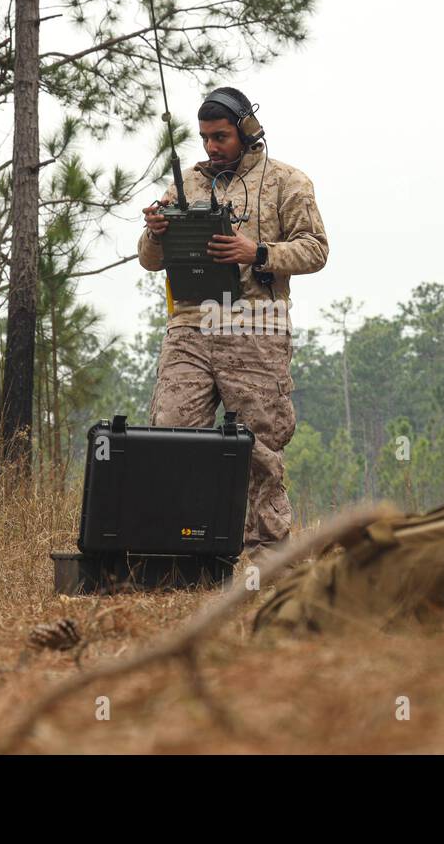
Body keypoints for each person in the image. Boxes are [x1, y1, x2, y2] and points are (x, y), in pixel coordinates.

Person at [137, 87, 328, 557]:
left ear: (246, 131)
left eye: (220, 136)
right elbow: (148, 260)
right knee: (172, 435)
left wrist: (257, 253)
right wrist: (155, 233)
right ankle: (182, 552)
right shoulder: (188, 185)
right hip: (192, 323)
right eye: (204, 138)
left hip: (256, 323)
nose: (211, 147)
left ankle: (267, 559)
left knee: (258, 448)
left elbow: (316, 250)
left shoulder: (288, 182)